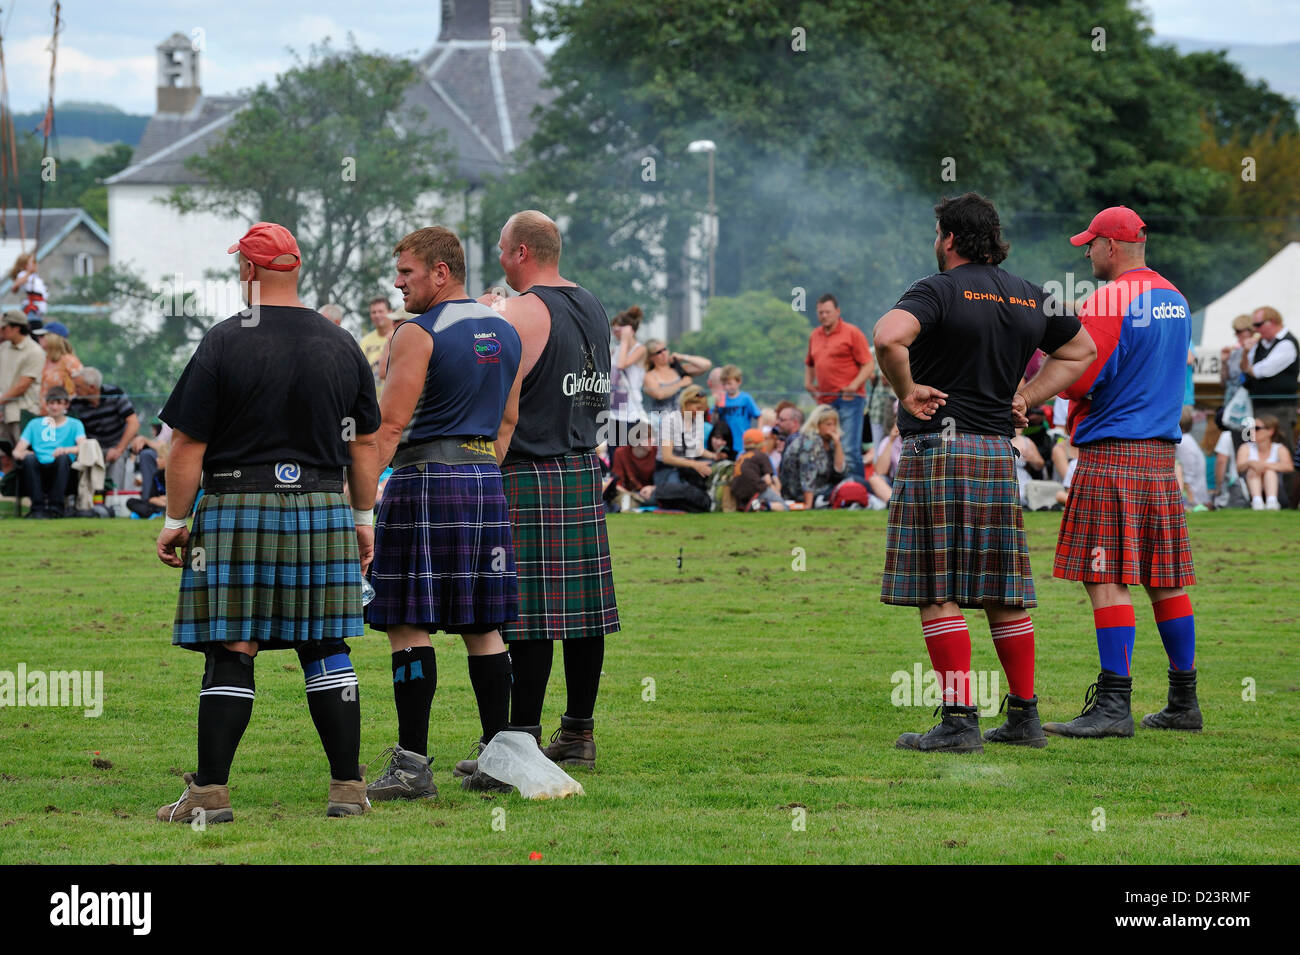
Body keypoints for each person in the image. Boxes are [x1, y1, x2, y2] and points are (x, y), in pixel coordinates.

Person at [153, 221, 381, 823]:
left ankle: (209, 796)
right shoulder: (342, 343)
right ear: (295, 268)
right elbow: (364, 446)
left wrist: (176, 519)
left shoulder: (225, 340)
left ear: (249, 271)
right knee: (325, 644)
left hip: (235, 505)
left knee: (234, 643)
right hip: (323, 505)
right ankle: (348, 792)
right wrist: (363, 518)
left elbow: (184, 446)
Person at [874, 191, 1094, 752]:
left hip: (938, 453)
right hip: (997, 452)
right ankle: (1025, 717)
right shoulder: (1029, 295)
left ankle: (959, 720)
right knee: (1002, 590)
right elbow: (1081, 351)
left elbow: (887, 337)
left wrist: (907, 389)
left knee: (936, 588)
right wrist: (1029, 396)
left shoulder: (937, 289)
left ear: (948, 238)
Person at [361, 226, 524, 798]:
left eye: (406, 273)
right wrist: (477, 469)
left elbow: (388, 427)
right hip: (484, 480)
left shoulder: (416, 333)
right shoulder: (505, 330)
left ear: (440, 271)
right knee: (483, 625)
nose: (398, 283)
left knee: (406, 622)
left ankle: (411, 769)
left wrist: (360, 504)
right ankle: (497, 757)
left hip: (422, 481)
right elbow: (507, 423)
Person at [459, 209, 619, 775]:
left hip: (527, 467)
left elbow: (498, 395)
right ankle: (578, 730)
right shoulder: (594, 306)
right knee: (583, 611)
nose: (500, 260)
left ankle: (518, 741)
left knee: (525, 611)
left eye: (503, 250)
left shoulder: (523, 311)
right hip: (580, 464)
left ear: (522, 252)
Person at [1044, 205, 1202, 738]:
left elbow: (1078, 378)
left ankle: (1114, 704)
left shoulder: (1109, 300)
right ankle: (1184, 700)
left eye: (1090, 244)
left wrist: (1030, 386)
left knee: (1105, 576)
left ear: (1112, 246)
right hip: (1160, 456)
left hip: (1113, 452)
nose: (1086, 253)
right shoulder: (1176, 300)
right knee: (1166, 579)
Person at [805, 294, 872, 483]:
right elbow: (809, 362)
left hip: (850, 400)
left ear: (837, 312)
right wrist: (808, 383)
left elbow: (868, 364)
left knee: (849, 446)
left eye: (827, 311)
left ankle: (856, 489)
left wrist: (853, 386)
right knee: (827, 445)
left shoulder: (852, 332)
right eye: (820, 312)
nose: (824, 315)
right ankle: (834, 489)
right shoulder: (815, 335)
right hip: (825, 401)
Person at [13, 385, 84, 518]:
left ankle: (56, 508)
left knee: (63, 459)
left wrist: (65, 450)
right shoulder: (34, 424)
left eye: (58, 403)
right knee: (29, 459)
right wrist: (24, 454)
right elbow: (17, 452)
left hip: (63, 469)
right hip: (37, 467)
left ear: (66, 405)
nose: (54, 407)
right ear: (46, 405)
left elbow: (84, 447)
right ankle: (37, 509)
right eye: (51, 403)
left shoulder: (75, 424)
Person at [68, 367, 139, 492]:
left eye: (78, 387)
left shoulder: (114, 393)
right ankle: (88, 500)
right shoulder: (75, 404)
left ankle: (113, 499)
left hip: (117, 445)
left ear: (92, 388)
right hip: (92, 448)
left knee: (118, 460)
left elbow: (133, 423)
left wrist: (118, 449)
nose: (75, 390)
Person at [1240, 306, 1298, 456]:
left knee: (1281, 448)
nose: (1255, 330)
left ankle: (1286, 480)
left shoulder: (1287, 344)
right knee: (1250, 445)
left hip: (1279, 408)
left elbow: (1260, 371)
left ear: (1272, 322)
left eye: (1258, 325)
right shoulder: (1259, 344)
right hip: (1255, 406)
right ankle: (1248, 479)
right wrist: (1245, 352)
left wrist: (1249, 367)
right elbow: (1244, 367)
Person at [0, 311, 45, 448]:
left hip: (23, 414)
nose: (1, 331)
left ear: (16, 328)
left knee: (24, 456)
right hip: (4, 414)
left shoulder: (34, 351)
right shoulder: (4, 347)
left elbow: (22, 386)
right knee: (4, 458)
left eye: (4, 328)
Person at [642, 339, 711, 420]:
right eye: (658, 352)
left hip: (684, 419)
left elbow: (706, 365)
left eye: (665, 349)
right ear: (651, 357)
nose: (663, 353)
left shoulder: (678, 369)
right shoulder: (649, 375)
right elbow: (659, 394)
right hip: (661, 420)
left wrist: (682, 357)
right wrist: (681, 384)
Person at [1237, 414, 1293, 510]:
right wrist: (1250, 463)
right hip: (1249, 487)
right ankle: (1257, 501)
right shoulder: (1246, 447)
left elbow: (1289, 467)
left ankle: (1272, 501)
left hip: (1277, 489)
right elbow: (1239, 467)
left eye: (1257, 428)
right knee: (1253, 470)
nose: (1252, 431)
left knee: (1269, 472)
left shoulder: (1279, 448)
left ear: (1270, 431)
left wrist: (1264, 466)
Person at [730, 427, 786, 511]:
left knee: (754, 501)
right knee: (784, 507)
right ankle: (762, 506)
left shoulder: (741, 457)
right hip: (756, 489)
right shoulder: (761, 455)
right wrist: (776, 495)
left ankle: (751, 506)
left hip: (739, 492)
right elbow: (768, 481)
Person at [33, 323, 81, 414]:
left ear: (53, 338)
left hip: (62, 417)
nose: (39, 338)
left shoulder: (70, 361)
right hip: (41, 415)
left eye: (42, 335)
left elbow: (79, 390)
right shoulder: (43, 359)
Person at [714, 364, 760, 456]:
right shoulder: (721, 399)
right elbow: (714, 421)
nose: (727, 387)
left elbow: (758, 415)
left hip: (741, 443)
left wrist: (758, 433)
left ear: (739, 382)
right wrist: (716, 407)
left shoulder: (745, 398)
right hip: (725, 443)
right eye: (724, 384)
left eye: (730, 384)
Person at [359, 297, 395, 394]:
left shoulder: (398, 335)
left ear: (390, 312)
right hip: (372, 402)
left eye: (380, 311)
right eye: (373, 312)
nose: (377, 315)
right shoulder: (365, 341)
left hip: (394, 397)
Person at [8, 252, 47, 318]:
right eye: (33, 262)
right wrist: (28, 272)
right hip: (31, 308)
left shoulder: (35, 277)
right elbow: (15, 286)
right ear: (25, 265)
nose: (35, 264)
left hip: (38, 309)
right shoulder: (24, 274)